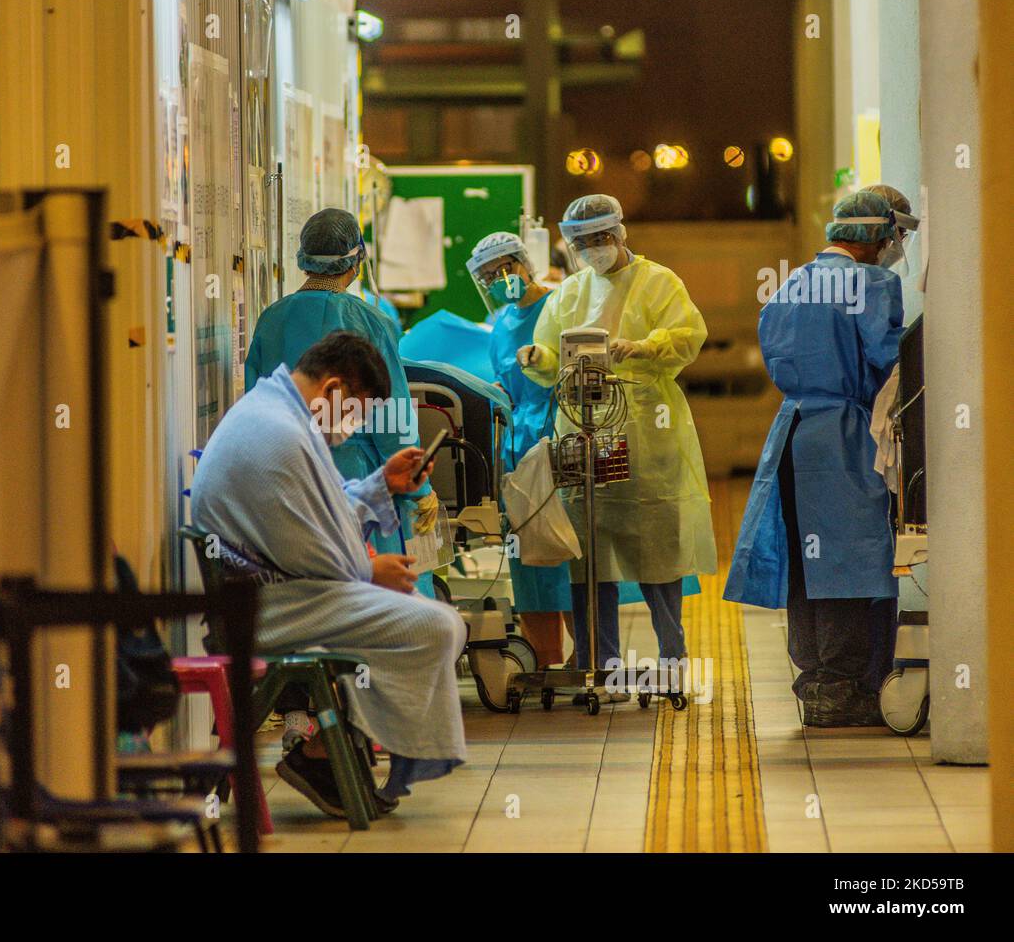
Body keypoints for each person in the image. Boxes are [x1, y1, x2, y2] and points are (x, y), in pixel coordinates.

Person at [192, 331, 468, 816]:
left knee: (431, 620)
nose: (356, 424)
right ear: (335, 389)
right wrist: (369, 568)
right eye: (358, 411)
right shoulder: (280, 435)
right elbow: (315, 553)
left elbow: (326, 511)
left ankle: (327, 749)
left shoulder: (280, 414)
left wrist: (381, 483)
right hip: (272, 608)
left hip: (283, 593)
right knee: (435, 625)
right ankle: (320, 752)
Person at [520, 194, 716, 702]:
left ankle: (672, 660)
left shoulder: (658, 281)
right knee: (589, 553)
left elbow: (689, 335)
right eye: (583, 243)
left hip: (648, 432)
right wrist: (535, 355)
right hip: (584, 431)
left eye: (600, 240)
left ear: (620, 234)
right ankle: (596, 664)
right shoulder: (570, 292)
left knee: (656, 548)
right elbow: (548, 357)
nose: (593, 250)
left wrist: (646, 347)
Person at [725, 189, 905, 728]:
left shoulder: (791, 282)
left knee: (810, 564)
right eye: (897, 236)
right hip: (846, 437)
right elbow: (890, 359)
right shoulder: (873, 283)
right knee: (854, 561)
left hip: (794, 432)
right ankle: (850, 687)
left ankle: (818, 686)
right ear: (879, 235)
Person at [245, 208, 441, 598]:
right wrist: (420, 488)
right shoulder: (372, 321)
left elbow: (257, 398)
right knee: (389, 594)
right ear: (356, 258)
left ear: (304, 257)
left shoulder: (271, 320)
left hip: (291, 470)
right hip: (362, 469)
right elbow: (392, 415)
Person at [470, 231, 573, 667]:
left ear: (523, 263)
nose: (498, 280)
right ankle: (543, 662)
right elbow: (507, 386)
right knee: (528, 560)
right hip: (516, 450)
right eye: (488, 276)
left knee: (564, 552)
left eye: (503, 269)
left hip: (557, 439)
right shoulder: (500, 327)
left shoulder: (557, 307)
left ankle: (586, 655)